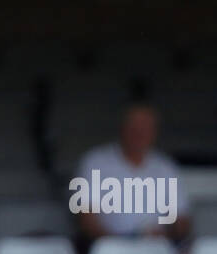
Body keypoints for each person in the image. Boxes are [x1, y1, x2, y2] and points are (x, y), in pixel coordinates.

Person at [74, 103, 190, 242]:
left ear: (154, 132)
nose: (139, 133)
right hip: (107, 250)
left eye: (145, 127)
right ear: (122, 128)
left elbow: (181, 219)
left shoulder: (165, 166)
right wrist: (116, 244)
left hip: (156, 248)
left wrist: (168, 235)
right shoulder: (95, 161)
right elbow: (86, 218)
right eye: (134, 127)